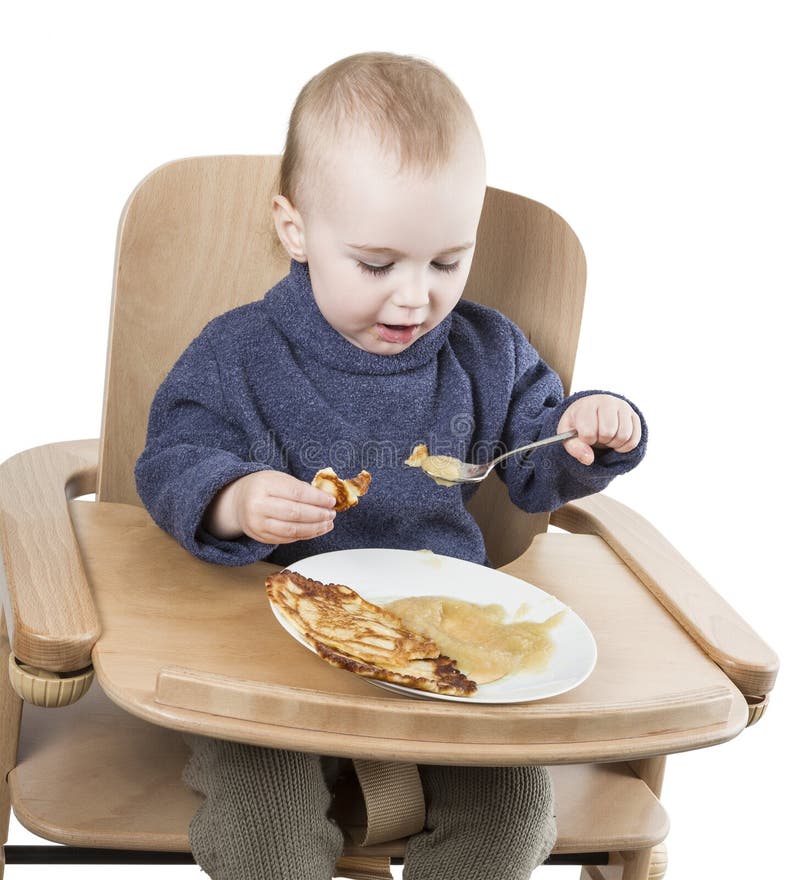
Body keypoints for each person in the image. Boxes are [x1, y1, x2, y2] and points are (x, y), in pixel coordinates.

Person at [135, 52, 646, 880]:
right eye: (378, 265)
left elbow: (537, 461)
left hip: (448, 647)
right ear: (294, 229)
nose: (416, 298)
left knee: (512, 820)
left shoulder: (487, 352)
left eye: (447, 262)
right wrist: (232, 498)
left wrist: (587, 434)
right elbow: (169, 458)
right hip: (267, 649)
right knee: (264, 830)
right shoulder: (238, 353)